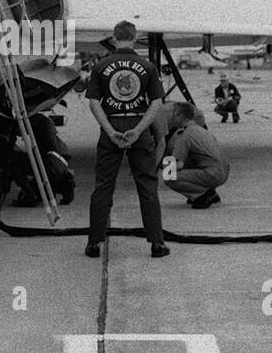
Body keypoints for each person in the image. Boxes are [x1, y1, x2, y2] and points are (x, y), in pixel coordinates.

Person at [84, 20, 168, 258]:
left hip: (112, 125)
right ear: (135, 37)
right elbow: (157, 103)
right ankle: (157, 243)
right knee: (147, 186)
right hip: (138, 126)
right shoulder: (147, 66)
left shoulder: (101, 66)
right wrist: (140, 129)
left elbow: (93, 101)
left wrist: (110, 131)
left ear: (113, 37)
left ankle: (94, 243)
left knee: (103, 186)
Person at [162, 101, 230, 209]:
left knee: (168, 176)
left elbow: (178, 165)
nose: (171, 118)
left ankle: (203, 194)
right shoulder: (200, 130)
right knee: (189, 162)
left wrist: (164, 163)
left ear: (181, 116)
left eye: (174, 115)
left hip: (212, 174)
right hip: (223, 171)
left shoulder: (184, 135)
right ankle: (209, 191)